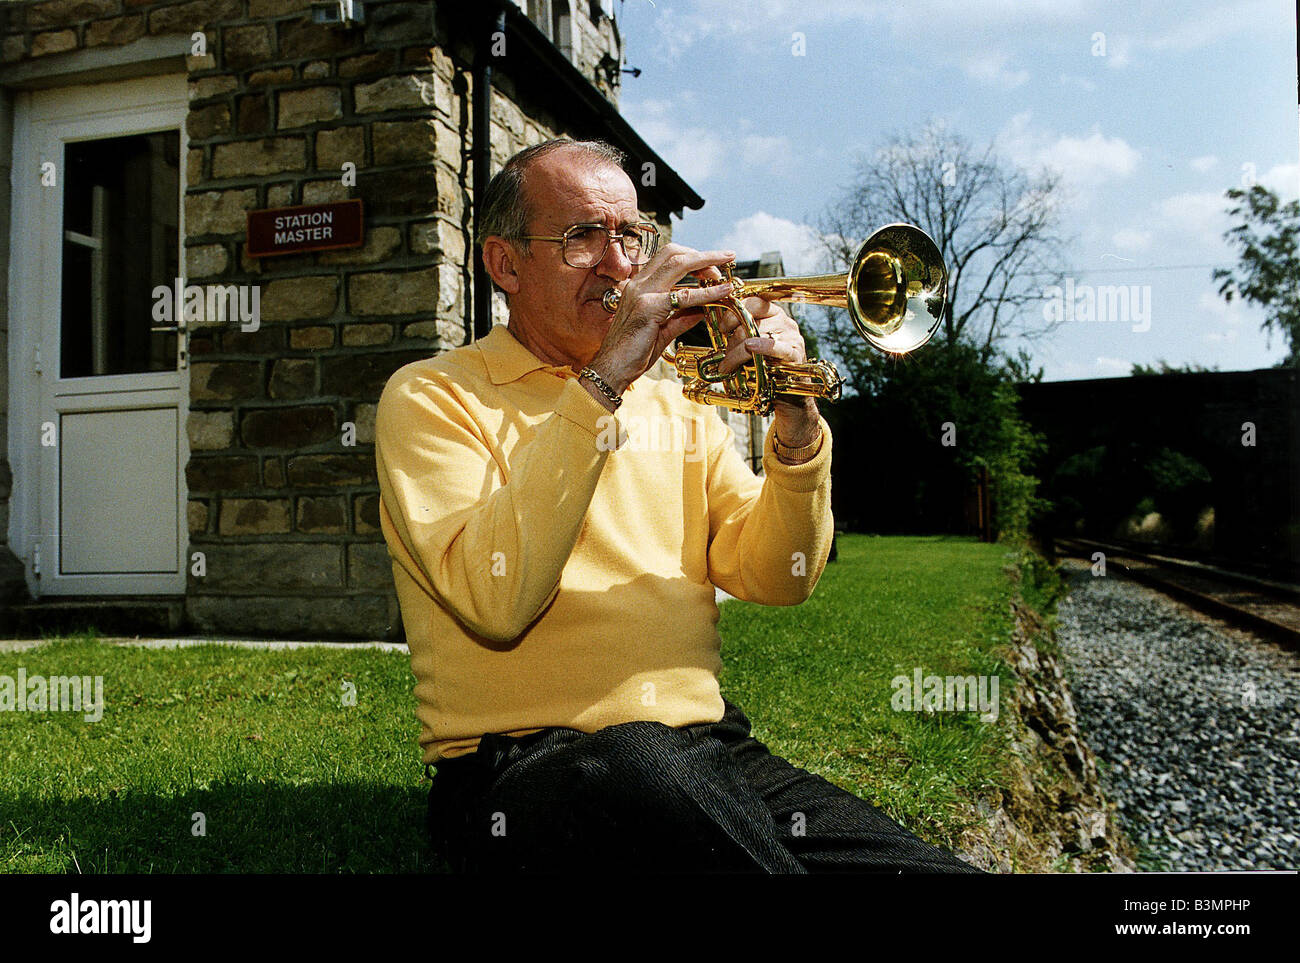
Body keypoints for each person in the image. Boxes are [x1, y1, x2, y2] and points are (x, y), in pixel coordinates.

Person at [374, 138, 984, 873]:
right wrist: (602, 382)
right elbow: (496, 599)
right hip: (519, 771)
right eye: (582, 239)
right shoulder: (431, 396)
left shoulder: (680, 402)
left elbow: (779, 576)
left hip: (705, 753)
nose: (620, 264)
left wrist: (795, 428)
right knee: (642, 762)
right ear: (504, 264)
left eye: (630, 235)